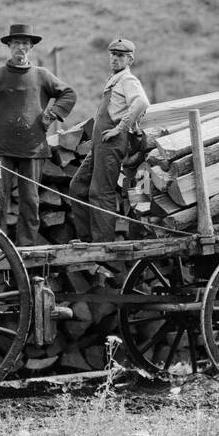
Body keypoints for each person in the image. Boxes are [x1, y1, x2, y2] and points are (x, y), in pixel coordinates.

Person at [0, 23, 76, 248]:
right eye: (16, 43)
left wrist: (52, 114)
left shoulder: (42, 76)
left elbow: (69, 94)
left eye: (25, 44)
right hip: (1, 149)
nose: (20, 48)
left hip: (32, 148)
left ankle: (27, 246)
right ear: (9, 46)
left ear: (30, 48)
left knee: (30, 200)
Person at [69, 37, 149, 265]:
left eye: (121, 55)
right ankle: (87, 239)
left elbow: (141, 102)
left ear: (130, 58)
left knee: (100, 192)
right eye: (113, 54)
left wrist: (120, 128)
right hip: (99, 145)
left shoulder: (128, 79)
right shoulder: (113, 80)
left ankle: (102, 247)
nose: (115, 58)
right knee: (78, 186)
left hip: (111, 143)